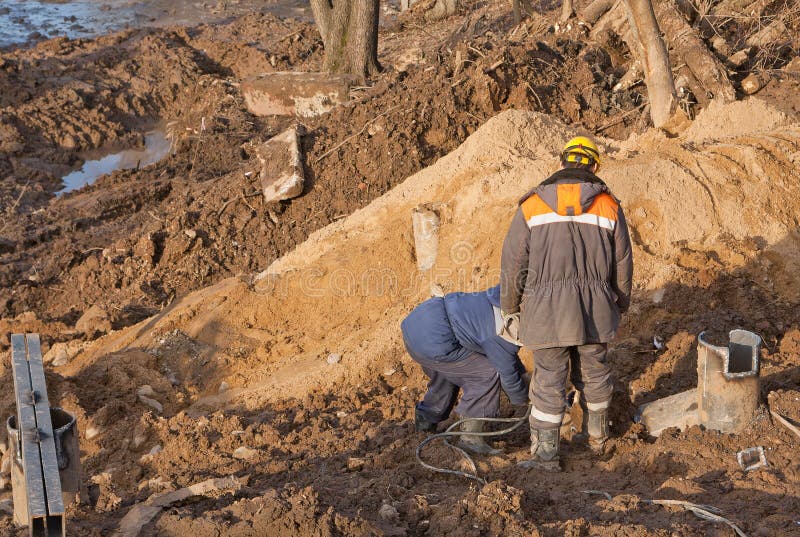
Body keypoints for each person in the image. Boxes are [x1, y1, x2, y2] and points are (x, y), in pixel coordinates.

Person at [499, 136, 633, 471]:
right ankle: (598, 442)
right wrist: (619, 304)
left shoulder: (532, 206)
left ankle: (545, 456)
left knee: (548, 379)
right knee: (594, 372)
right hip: (595, 308)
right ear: (594, 167)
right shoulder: (608, 205)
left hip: (545, 313)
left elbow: (514, 263)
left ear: (561, 164)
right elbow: (623, 263)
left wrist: (510, 306)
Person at [401, 285, 529, 455]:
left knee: (451, 370)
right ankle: (470, 438)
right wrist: (524, 399)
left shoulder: (497, 298)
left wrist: (522, 377)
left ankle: (426, 420)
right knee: (487, 373)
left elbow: (507, 359)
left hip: (418, 325)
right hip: (436, 341)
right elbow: (506, 371)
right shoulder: (504, 330)